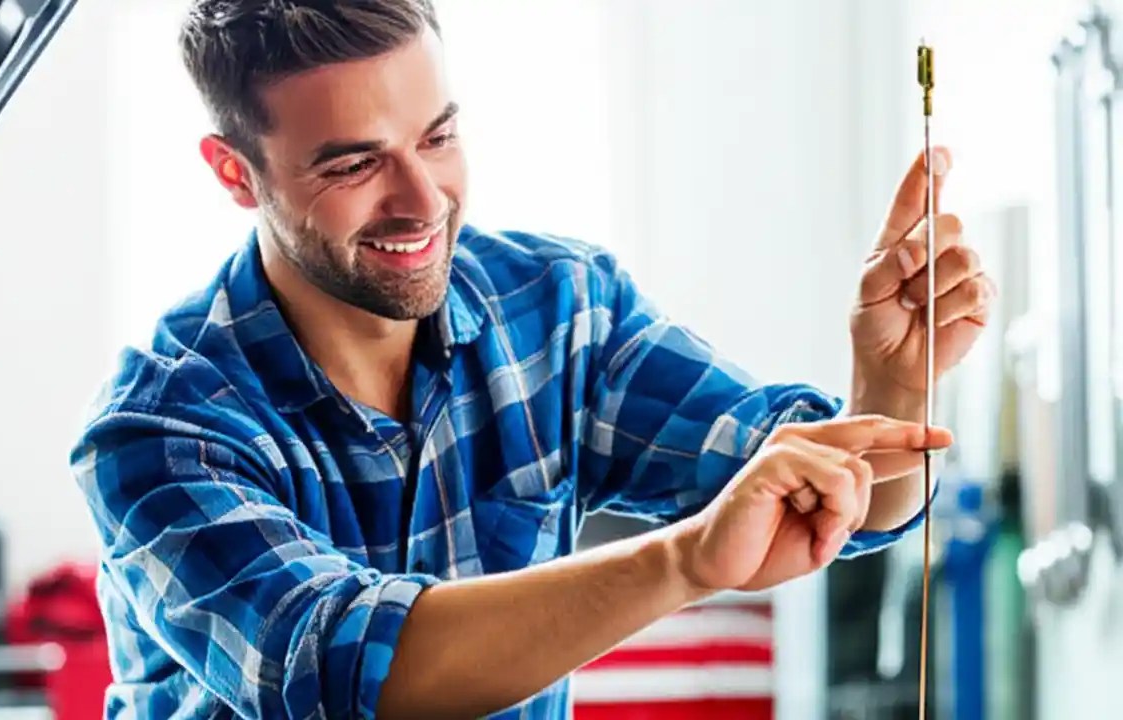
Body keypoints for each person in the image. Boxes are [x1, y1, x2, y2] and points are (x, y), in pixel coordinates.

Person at [70, 1, 994, 718]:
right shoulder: (162, 428)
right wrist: (684, 562)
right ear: (237, 173)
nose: (422, 199)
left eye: (437, 137)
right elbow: (344, 674)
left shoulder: (559, 310)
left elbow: (824, 497)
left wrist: (888, 386)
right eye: (354, 166)